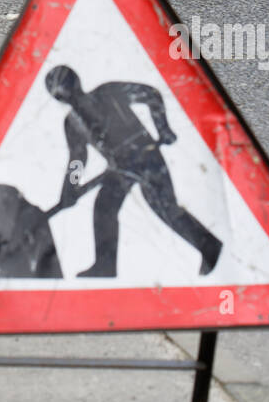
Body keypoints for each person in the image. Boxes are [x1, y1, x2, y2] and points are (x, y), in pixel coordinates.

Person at [45, 65, 222, 278]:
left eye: (69, 89)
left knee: (165, 207)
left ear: (77, 83)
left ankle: (208, 245)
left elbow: (151, 94)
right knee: (104, 208)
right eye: (63, 95)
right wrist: (70, 189)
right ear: (59, 99)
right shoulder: (72, 123)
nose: (71, 98)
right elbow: (77, 158)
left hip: (146, 156)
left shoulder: (108, 92)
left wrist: (162, 127)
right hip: (118, 169)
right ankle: (105, 265)